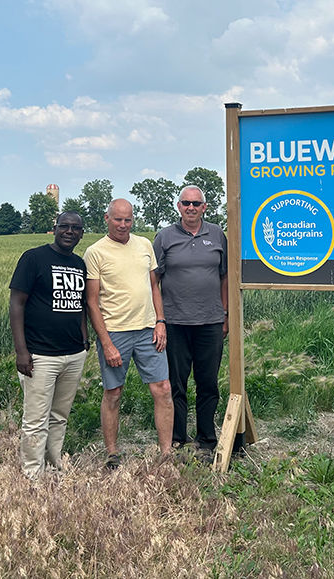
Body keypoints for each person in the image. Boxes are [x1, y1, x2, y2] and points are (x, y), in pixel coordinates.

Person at [84, 198, 173, 468]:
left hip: (148, 330)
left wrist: (161, 321)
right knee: (114, 392)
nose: (123, 225)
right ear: (106, 218)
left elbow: (154, 287)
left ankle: (166, 453)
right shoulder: (95, 252)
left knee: (163, 389)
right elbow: (91, 301)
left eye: (128, 220)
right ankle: (112, 453)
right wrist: (106, 343)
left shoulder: (145, 245)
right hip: (116, 332)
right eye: (118, 219)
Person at [9, 211, 89, 479]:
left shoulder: (79, 263)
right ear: (54, 228)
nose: (69, 231)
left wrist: (84, 339)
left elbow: (81, 306)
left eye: (75, 228)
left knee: (59, 417)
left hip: (73, 354)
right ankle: (32, 475)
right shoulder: (34, 258)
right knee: (35, 420)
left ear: (81, 233)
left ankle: (54, 467)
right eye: (64, 226)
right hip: (40, 355)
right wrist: (22, 351)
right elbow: (16, 303)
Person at [153, 185, 228, 461]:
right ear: (178, 206)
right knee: (176, 383)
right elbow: (154, 281)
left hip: (210, 322)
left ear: (205, 207)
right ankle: (177, 438)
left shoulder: (217, 234)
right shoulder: (164, 237)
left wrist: (225, 313)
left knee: (208, 383)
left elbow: (224, 276)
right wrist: (159, 319)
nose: (191, 208)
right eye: (186, 203)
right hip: (175, 322)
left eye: (196, 203)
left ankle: (206, 439)